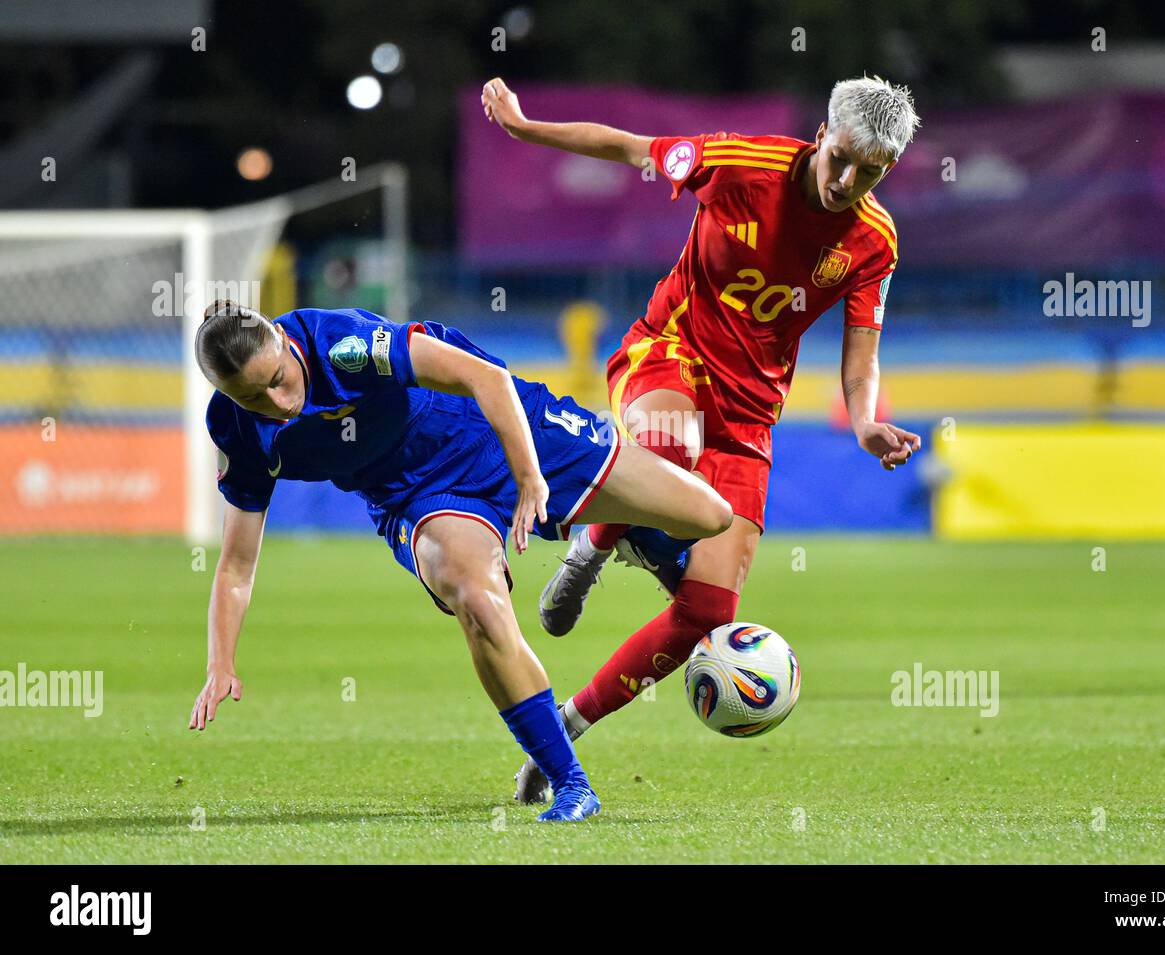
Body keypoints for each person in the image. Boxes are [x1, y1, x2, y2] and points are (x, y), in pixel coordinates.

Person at [480, 75, 922, 801]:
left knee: (709, 612)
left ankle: (567, 729)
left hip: (750, 417)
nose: (846, 181)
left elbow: (862, 351)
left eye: (868, 172)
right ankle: (590, 547)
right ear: (820, 135)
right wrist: (528, 130)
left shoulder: (873, 242)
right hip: (668, 354)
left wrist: (866, 418)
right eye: (840, 157)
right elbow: (627, 148)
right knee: (668, 449)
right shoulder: (738, 162)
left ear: (888, 170)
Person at [186, 301, 732, 821]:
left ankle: (602, 538)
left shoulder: (342, 346)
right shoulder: (236, 431)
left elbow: (486, 379)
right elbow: (236, 563)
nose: (279, 404)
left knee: (708, 516)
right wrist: (219, 663)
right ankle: (572, 785)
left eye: (277, 379)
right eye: (253, 398)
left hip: (494, 424)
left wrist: (528, 477)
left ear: (282, 341)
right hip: (419, 492)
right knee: (475, 597)